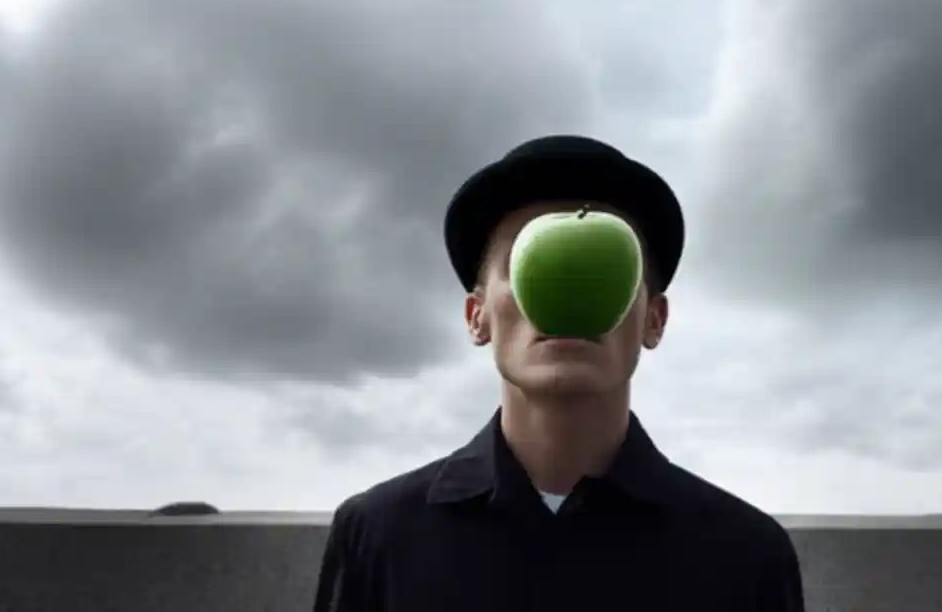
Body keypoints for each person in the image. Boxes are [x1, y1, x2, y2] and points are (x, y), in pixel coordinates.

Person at [313, 135, 806, 611]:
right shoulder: (376, 537)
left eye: (603, 269)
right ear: (476, 317)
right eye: (531, 264)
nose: (566, 293)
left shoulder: (749, 558)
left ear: (654, 320)